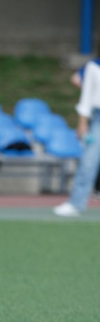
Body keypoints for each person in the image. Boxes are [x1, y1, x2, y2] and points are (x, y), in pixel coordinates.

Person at [53, 59, 100, 217]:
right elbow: (86, 96)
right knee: (89, 161)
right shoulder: (93, 66)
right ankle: (76, 203)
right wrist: (82, 123)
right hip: (98, 118)